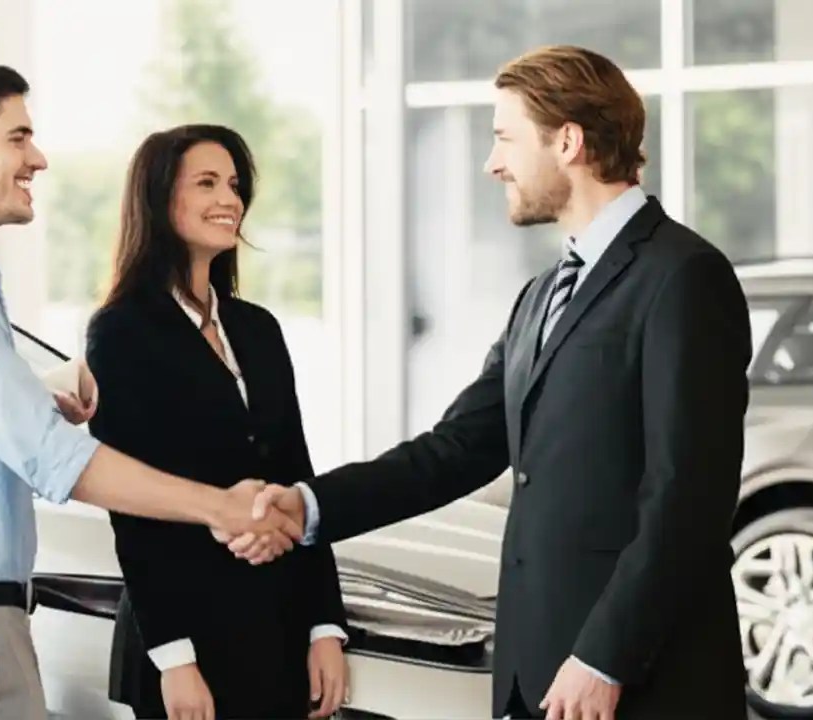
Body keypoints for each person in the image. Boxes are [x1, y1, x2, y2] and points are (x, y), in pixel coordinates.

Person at [241, 45, 751, 720]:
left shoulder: (683, 276)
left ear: (567, 141)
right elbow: (453, 450)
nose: (493, 162)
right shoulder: (540, 296)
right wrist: (310, 507)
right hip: (537, 670)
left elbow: (688, 497)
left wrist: (606, 656)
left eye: (505, 137)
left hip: (641, 680)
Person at [0, 61, 302, 720]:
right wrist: (222, 508)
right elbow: (54, 460)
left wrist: (38, 390)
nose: (36, 158)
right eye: (17, 137)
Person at [85, 124, 350, 720]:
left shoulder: (258, 329)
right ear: (159, 199)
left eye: (234, 184)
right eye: (206, 183)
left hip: (276, 631)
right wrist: (175, 660)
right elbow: (131, 504)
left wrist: (324, 627)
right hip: (186, 644)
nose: (229, 199)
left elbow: (297, 474)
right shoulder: (121, 332)